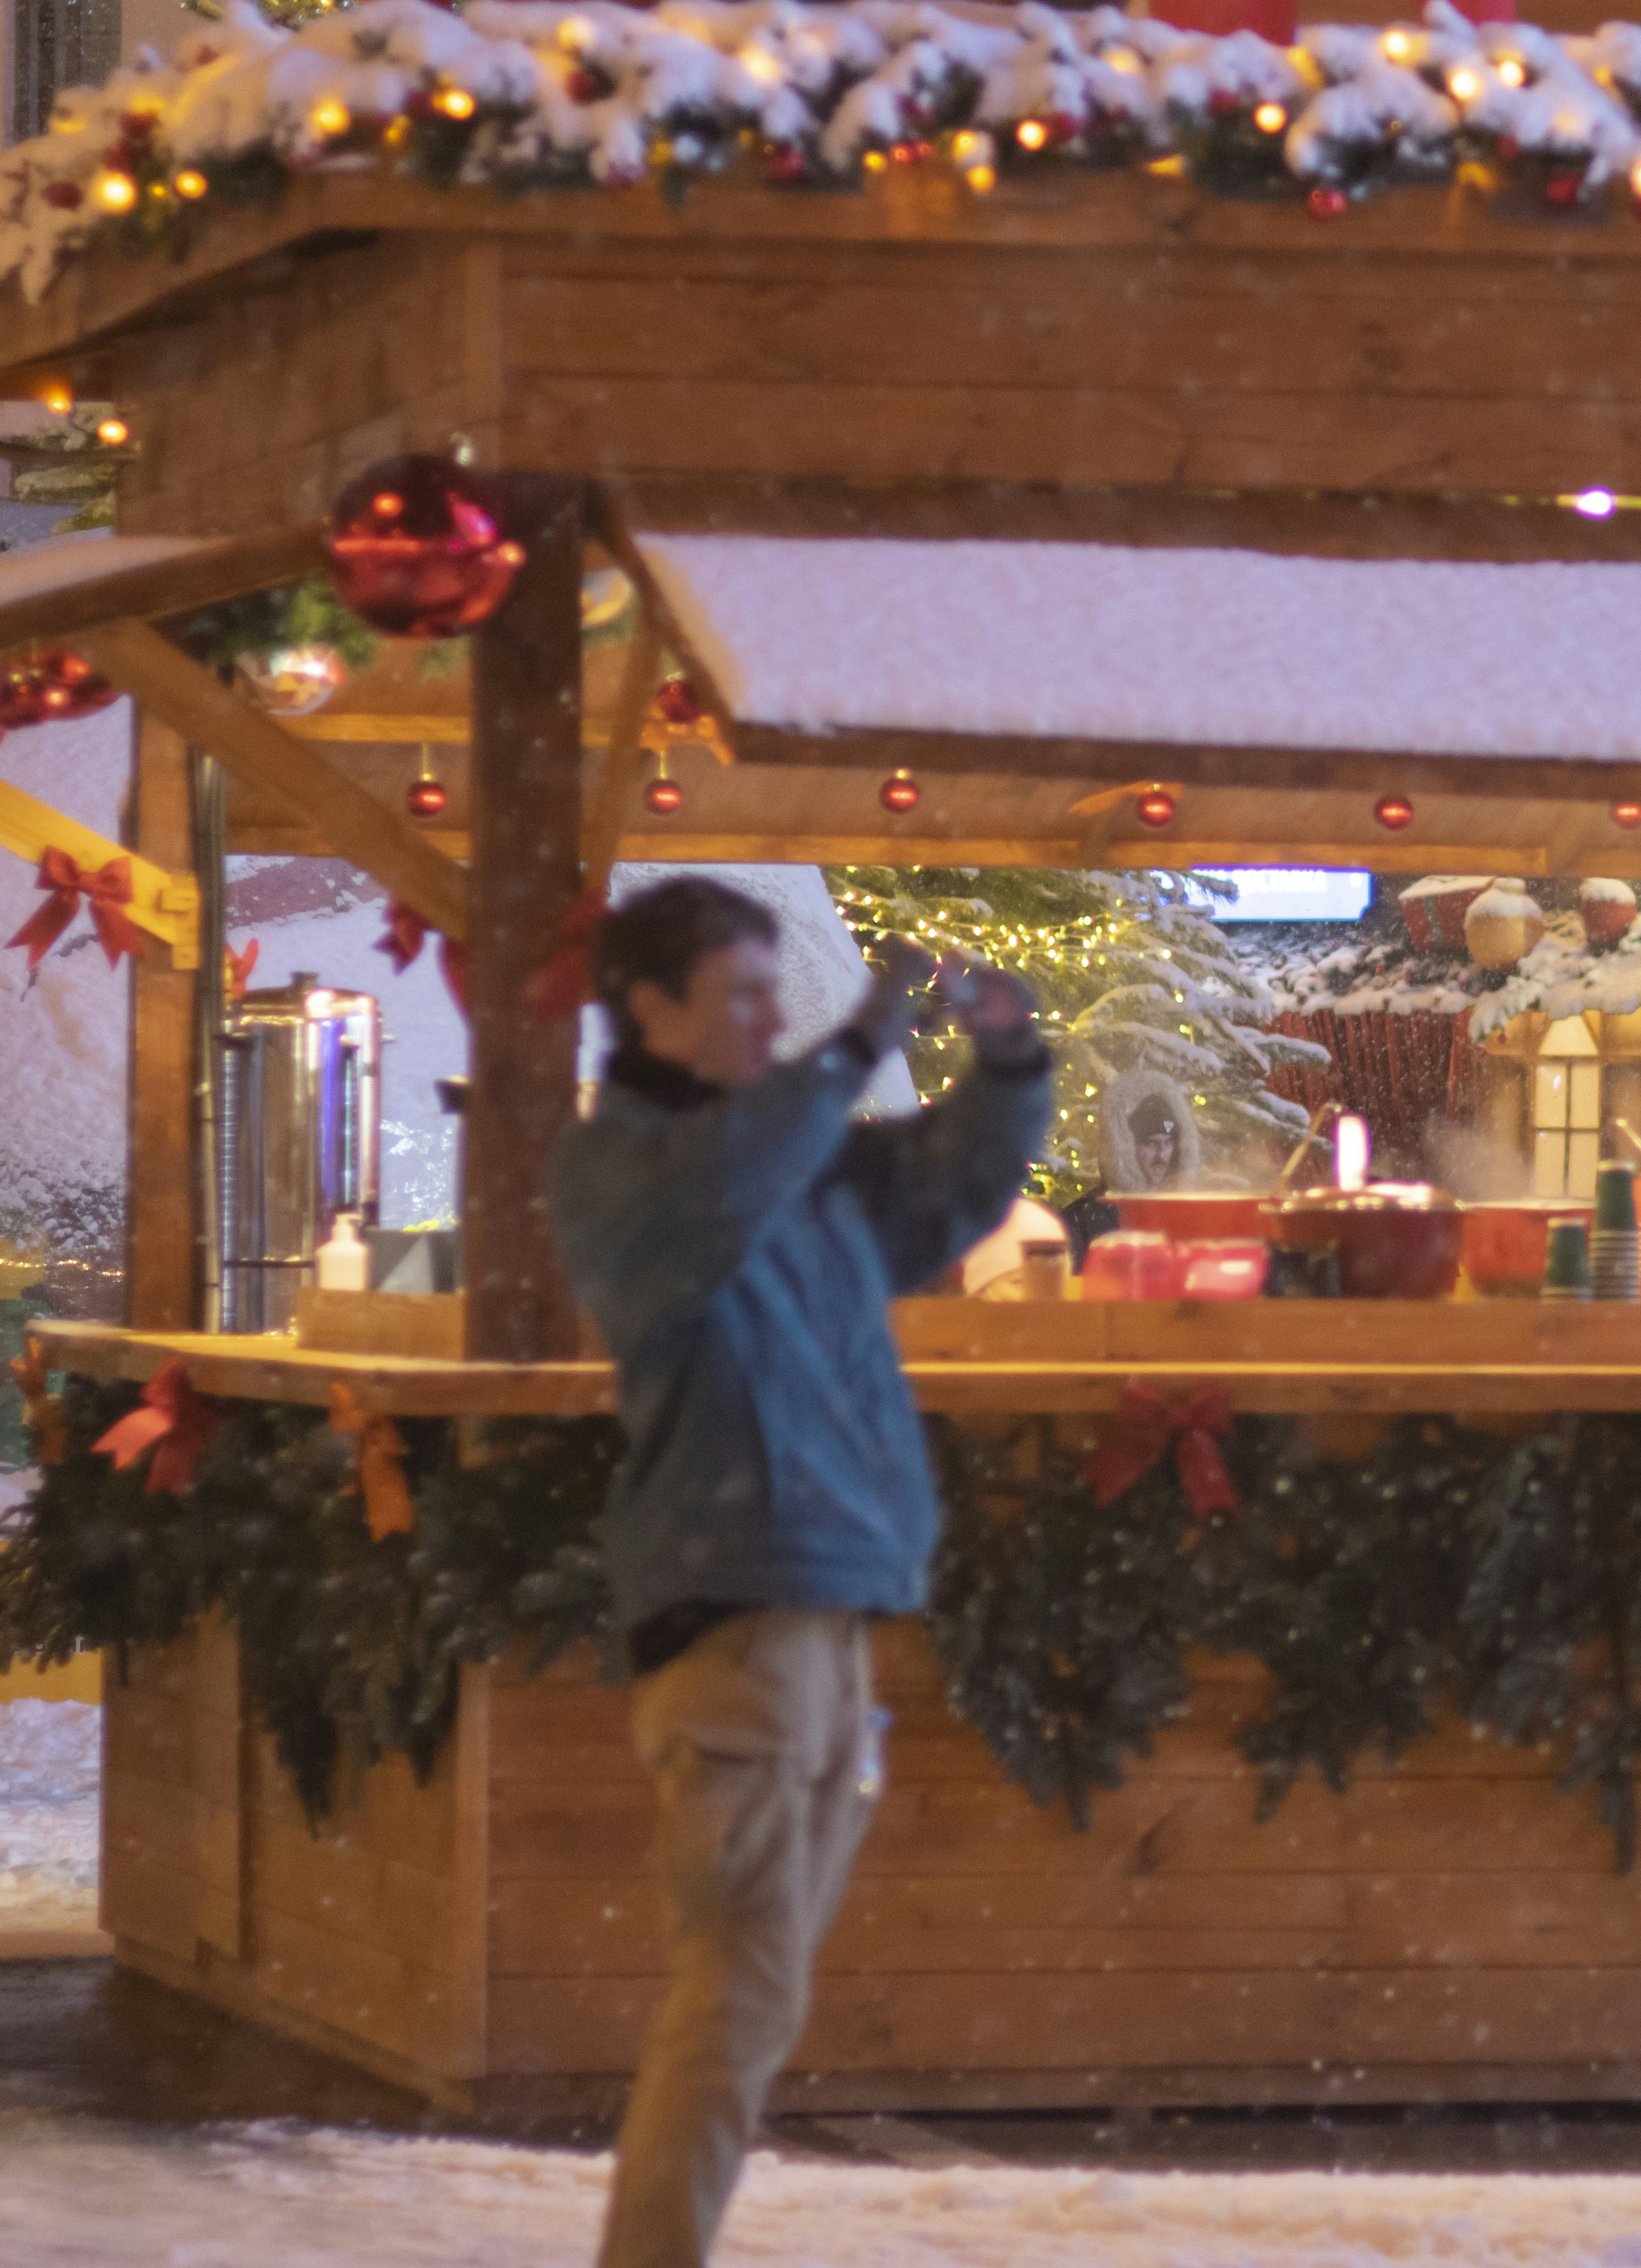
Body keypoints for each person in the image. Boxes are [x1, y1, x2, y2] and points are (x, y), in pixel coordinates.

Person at [553, 879, 1054, 2268]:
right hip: (737, 1623)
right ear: (649, 1010)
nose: (776, 1019)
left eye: (780, 990)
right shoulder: (625, 1168)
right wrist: (846, 1053)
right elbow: (724, 1193)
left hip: (823, 1613)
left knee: (752, 1995)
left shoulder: (803, 1156)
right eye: (741, 994)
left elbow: (944, 1189)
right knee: (738, 1989)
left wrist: (1008, 1059)